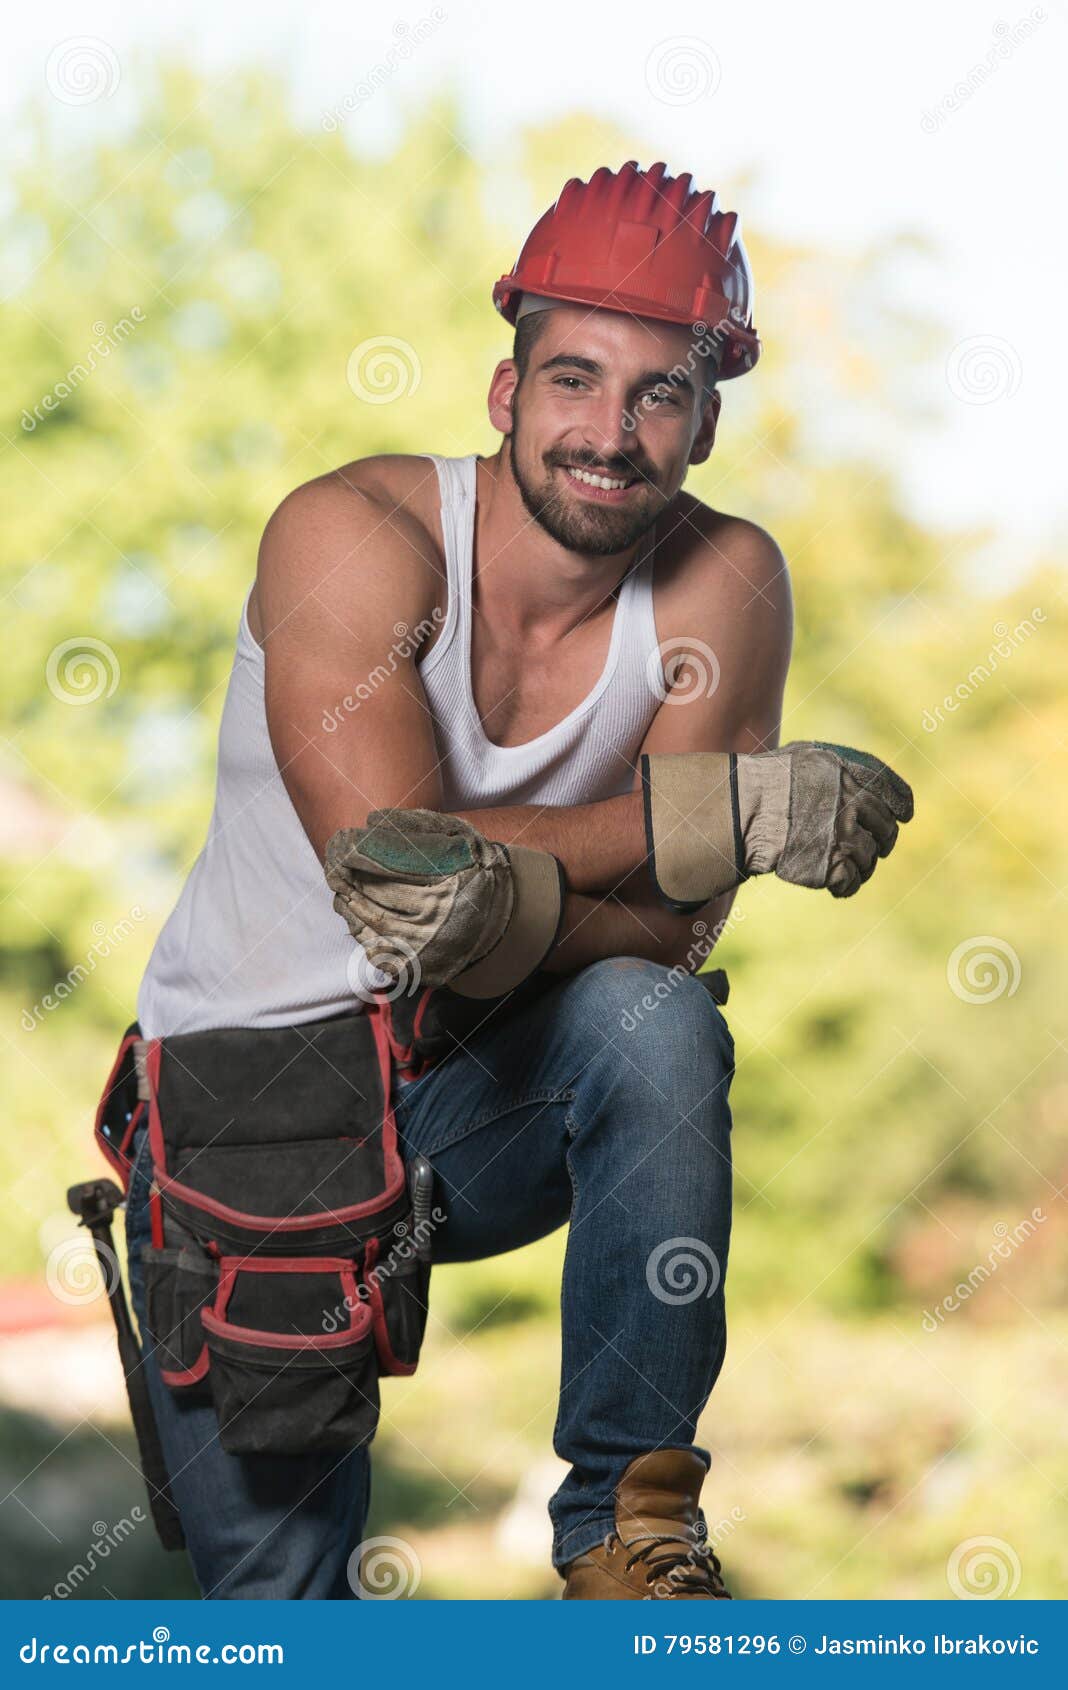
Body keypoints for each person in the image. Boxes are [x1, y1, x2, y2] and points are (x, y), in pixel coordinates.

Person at [123, 160, 912, 1599]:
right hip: (256, 1104)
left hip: (482, 1088)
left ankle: (625, 1518)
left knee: (652, 1024)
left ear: (707, 417)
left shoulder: (721, 582)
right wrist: (727, 807)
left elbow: (664, 933)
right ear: (505, 392)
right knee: (281, 1606)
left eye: (658, 393)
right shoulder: (354, 538)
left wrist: (519, 902)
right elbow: (400, 864)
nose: (608, 434)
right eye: (572, 380)